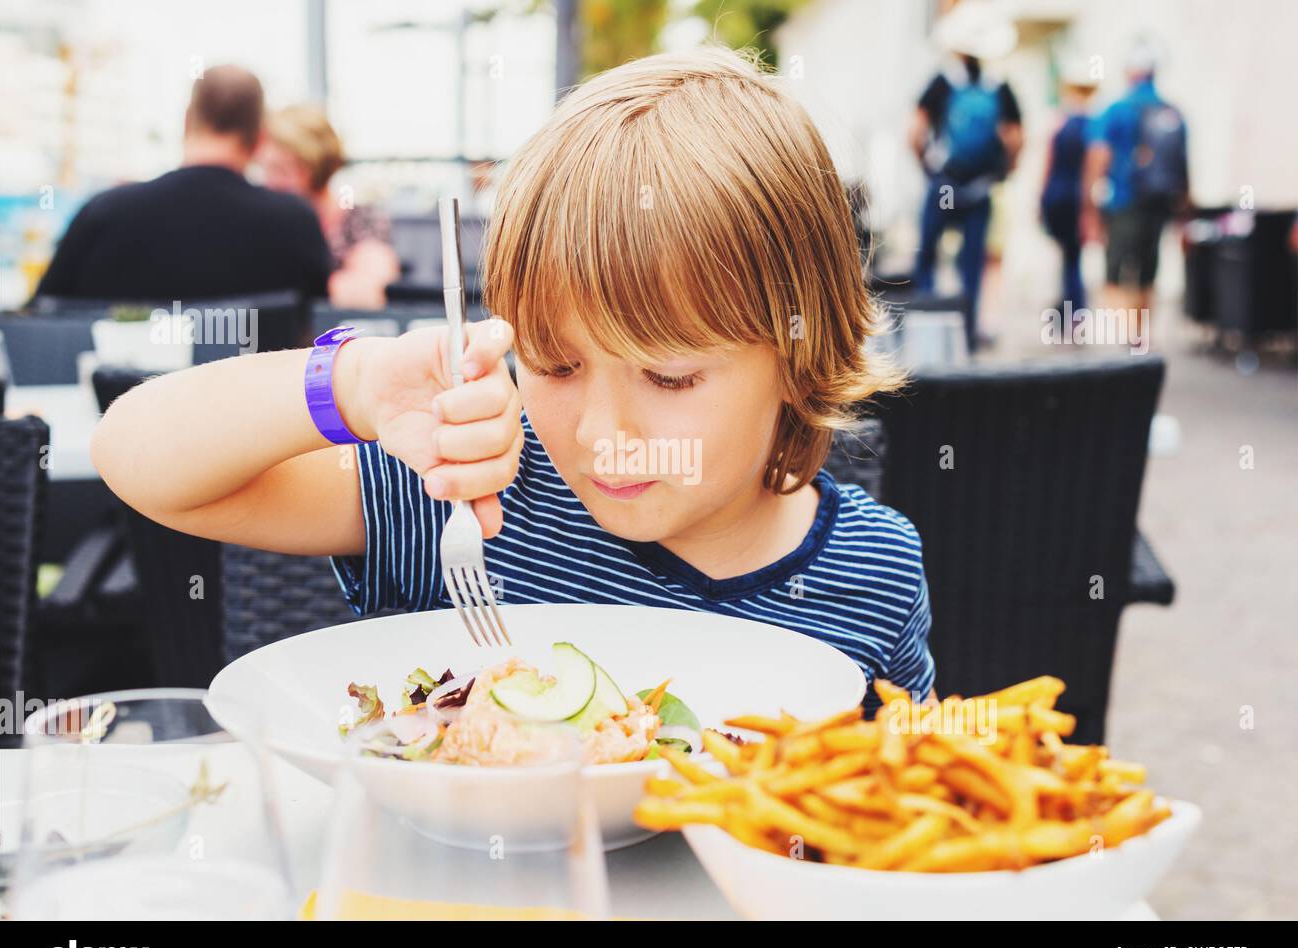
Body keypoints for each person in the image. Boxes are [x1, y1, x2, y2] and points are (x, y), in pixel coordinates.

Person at [91, 48, 937, 702]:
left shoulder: (875, 572)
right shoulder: (473, 494)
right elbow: (138, 460)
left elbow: (913, 806)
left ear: (799, 351)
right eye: (557, 365)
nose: (605, 434)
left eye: (671, 378)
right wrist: (353, 386)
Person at [34, 66, 332, 306]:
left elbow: (38, 317)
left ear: (187, 123)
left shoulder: (104, 213)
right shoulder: (296, 222)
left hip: (133, 383)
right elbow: (319, 325)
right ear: (260, 139)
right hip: (254, 382)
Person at [910, 0, 1022, 351]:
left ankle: (924, 330)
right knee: (972, 264)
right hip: (980, 188)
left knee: (927, 255)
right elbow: (1017, 138)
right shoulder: (999, 85)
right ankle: (967, 334)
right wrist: (1003, 170)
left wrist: (928, 169)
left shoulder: (942, 82)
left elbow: (914, 132)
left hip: (944, 183)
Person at [1082, 40, 1189, 346]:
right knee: (1147, 270)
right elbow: (1183, 167)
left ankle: (1120, 336)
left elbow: (1097, 158)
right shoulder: (1171, 111)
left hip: (1123, 201)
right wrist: (1184, 213)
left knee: (1115, 269)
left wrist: (1088, 205)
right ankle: (1141, 335)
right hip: (1158, 202)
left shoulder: (1116, 110)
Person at [257, 105, 401, 309]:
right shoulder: (270, 222)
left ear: (314, 165)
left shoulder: (362, 219)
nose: (270, 182)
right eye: (265, 169)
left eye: (281, 169)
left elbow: (367, 291)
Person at [1040, 62, 1099, 334]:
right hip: (1074, 199)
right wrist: (1089, 207)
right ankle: (1074, 314)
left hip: (1058, 196)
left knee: (1068, 258)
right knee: (1072, 258)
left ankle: (1071, 313)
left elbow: (1048, 163)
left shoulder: (1061, 123)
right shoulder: (1092, 126)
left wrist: (1040, 198)